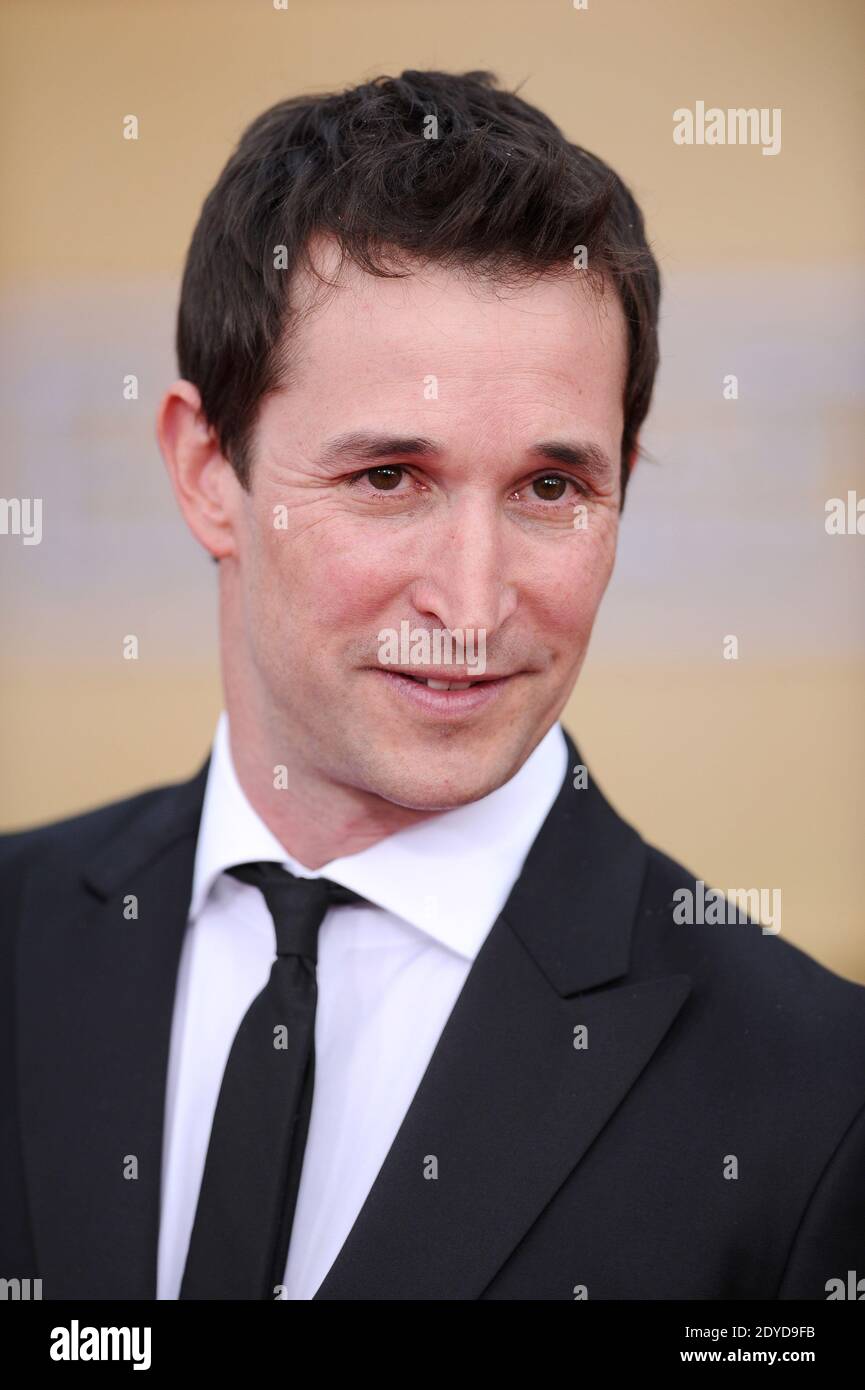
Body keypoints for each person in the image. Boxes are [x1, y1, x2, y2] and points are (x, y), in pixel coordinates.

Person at [2, 69, 863, 1302]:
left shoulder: (817, 1095)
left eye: (550, 489)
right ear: (206, 470)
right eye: (390, 478)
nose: (471, 604)